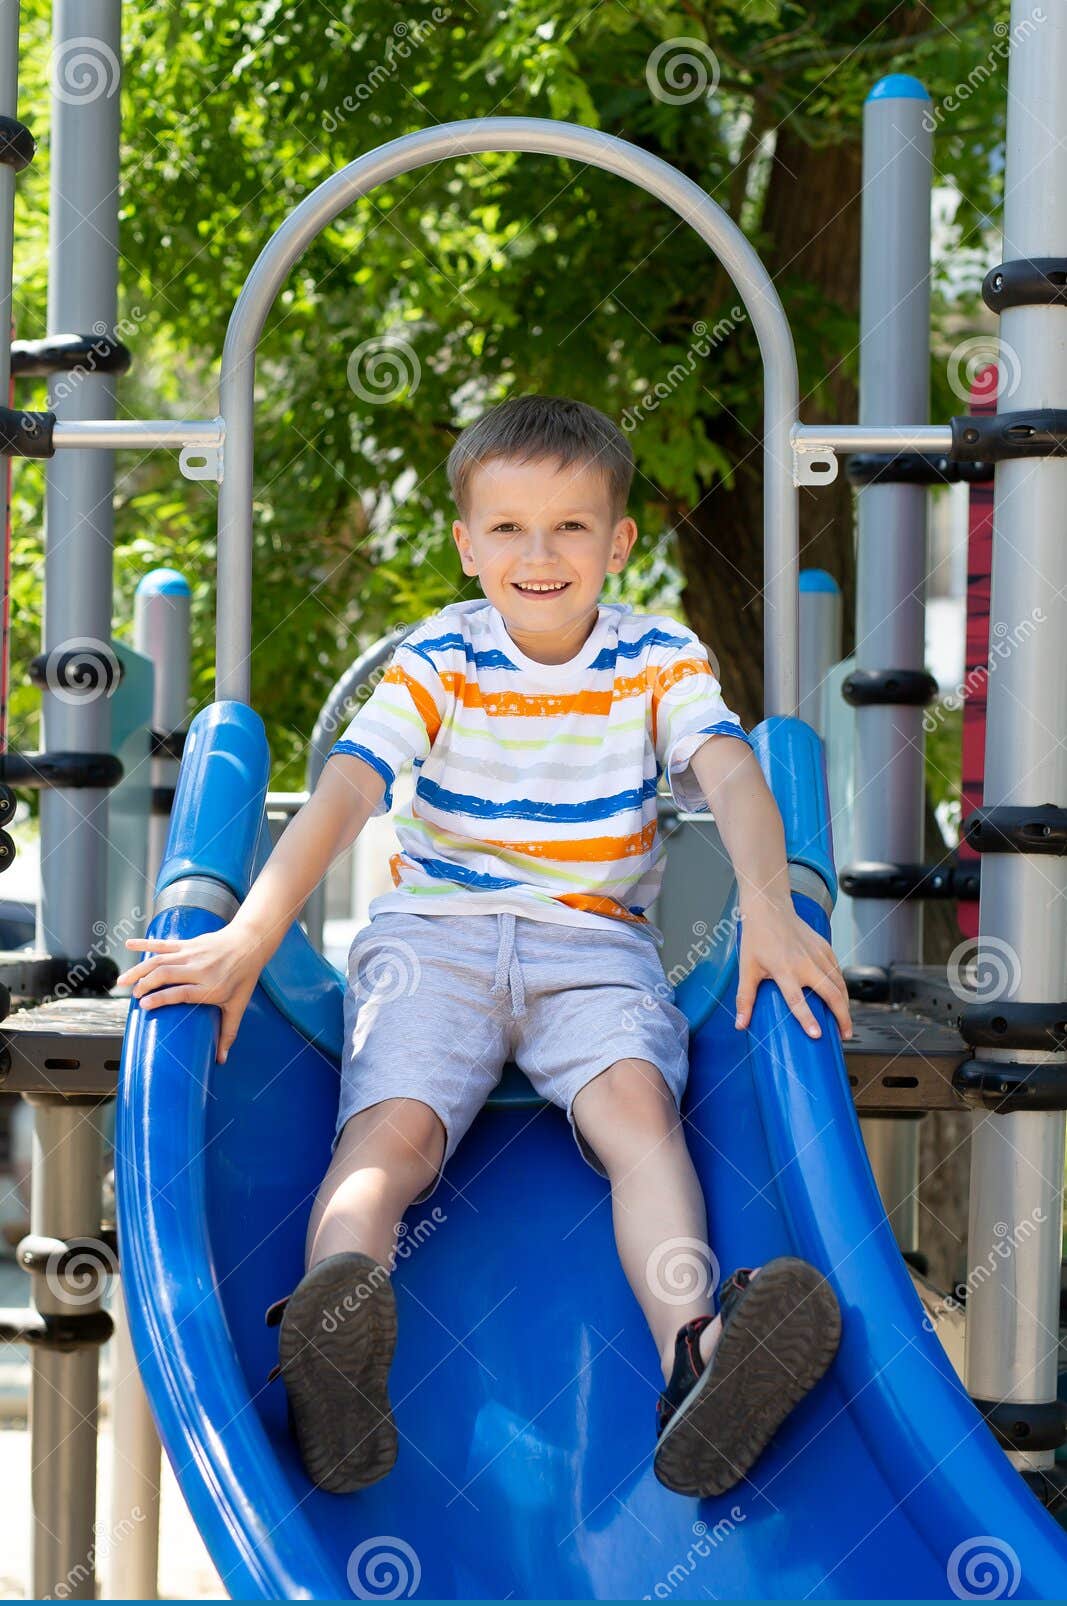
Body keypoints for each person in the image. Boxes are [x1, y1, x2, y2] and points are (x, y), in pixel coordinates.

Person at [117, 394, 850, 1502]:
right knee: (388, 1141)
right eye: (507, 526)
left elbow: (733, 770)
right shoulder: (442, 652)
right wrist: (247, 938)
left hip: (592, 951)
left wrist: (769, 904)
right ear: (465, 543)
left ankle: (692, 1354)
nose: (538, 553)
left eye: (569, 526)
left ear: (617, 542)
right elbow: (349, 790)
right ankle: (333, 1328)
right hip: (433, 944)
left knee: (639, 1125)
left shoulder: (657, 655)